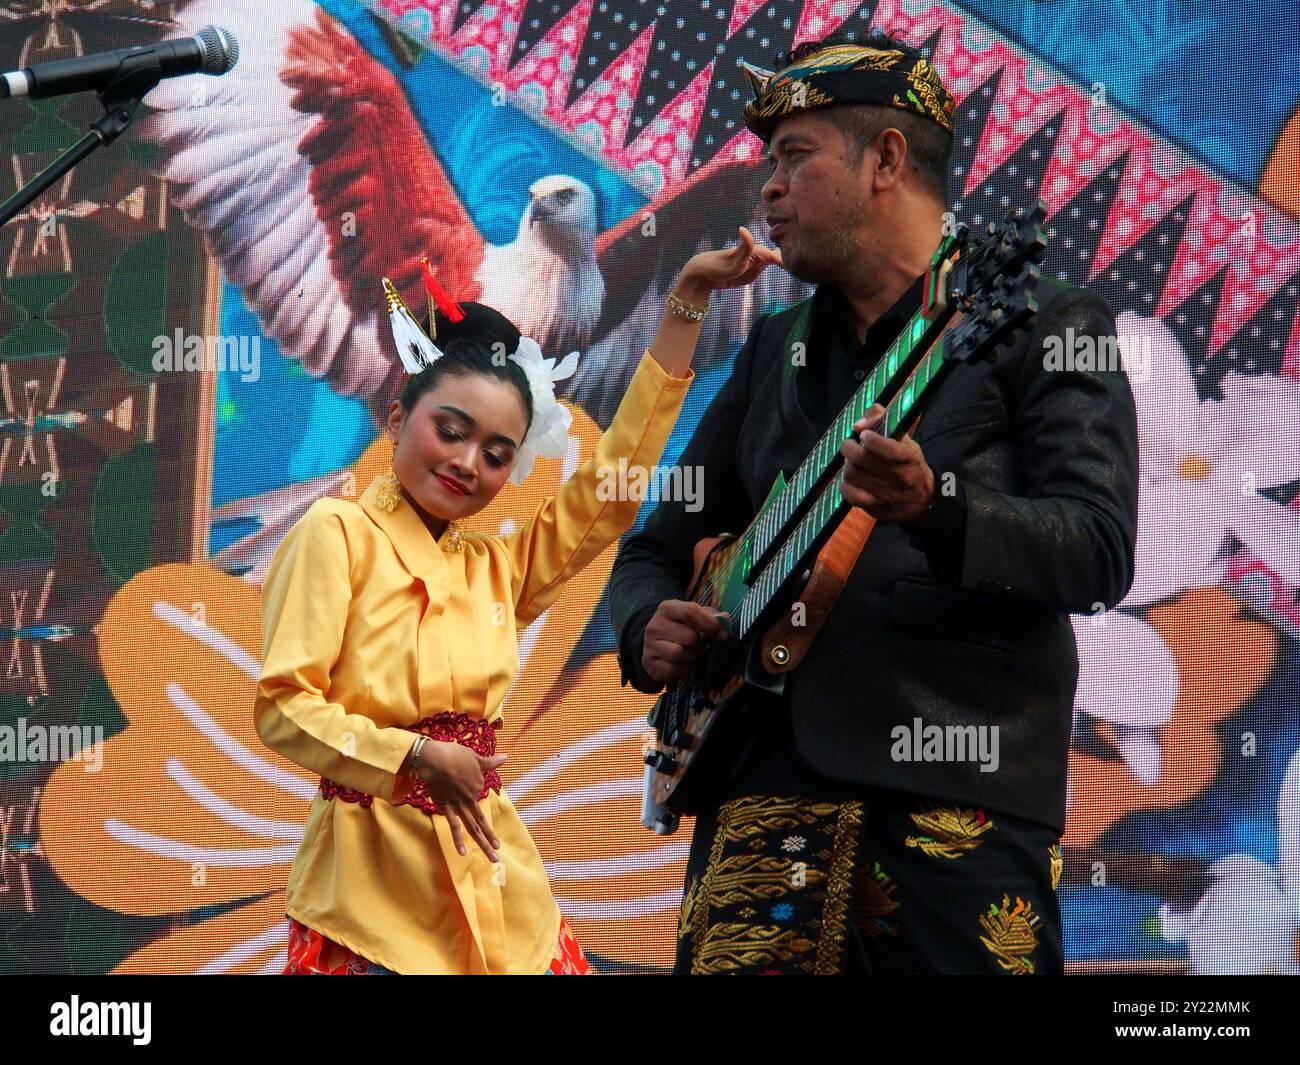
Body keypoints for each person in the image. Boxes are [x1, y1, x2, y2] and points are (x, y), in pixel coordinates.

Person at [609, 31, 1140, 974]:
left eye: (794, 156)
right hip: (757, 788)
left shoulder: (1053, 322)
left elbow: (1098, 547)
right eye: (769, 165)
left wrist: (939, 507)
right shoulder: (774, 347)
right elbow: (657, 545)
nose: (769, 188)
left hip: (957, 804)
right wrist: (647, 622)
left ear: (886, 160)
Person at [254, 235, 781, 975]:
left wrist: (687, 303)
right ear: (398, 419)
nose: (467, 462)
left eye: (497, 453)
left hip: (499, 885)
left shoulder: (493, 568)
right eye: (450, 430)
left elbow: (610, 491)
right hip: (369, 901)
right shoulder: (335, 532)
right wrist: (414, 755)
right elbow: (284, 707)